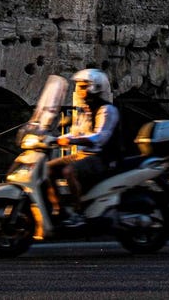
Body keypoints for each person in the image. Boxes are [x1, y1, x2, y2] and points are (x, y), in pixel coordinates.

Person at [46, 68, 121, 226]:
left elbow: (99, 138)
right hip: (86, 155)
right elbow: (76, 133)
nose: (78, 91)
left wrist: (71, 140)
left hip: (103, 157)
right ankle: (59, 210)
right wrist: (54, 139)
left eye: (82, 86)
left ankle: (79, 212)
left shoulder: (107, 110)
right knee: (46, 169)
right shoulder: (85, 110)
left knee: (69, 171)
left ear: (95, 87)